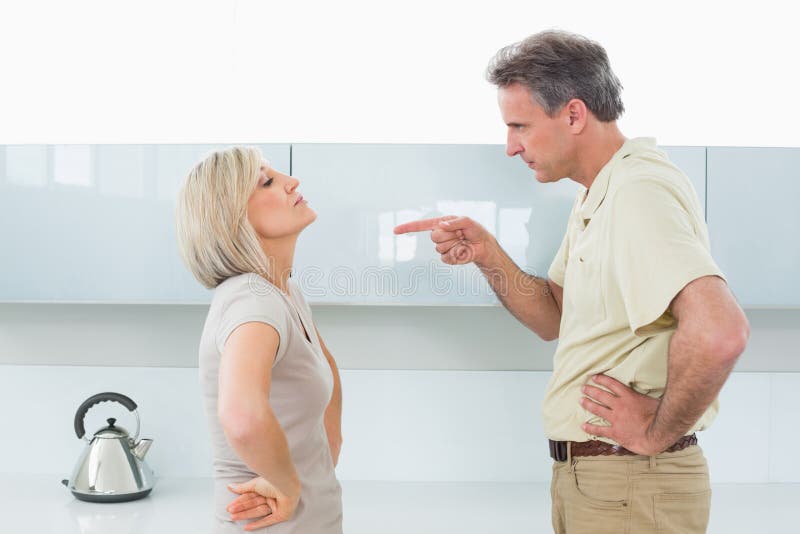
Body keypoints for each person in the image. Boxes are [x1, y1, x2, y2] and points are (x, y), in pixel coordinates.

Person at [394, 30, 749, 533]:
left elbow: (720, 330)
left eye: (520, 126)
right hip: (605, 482)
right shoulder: (597, 195)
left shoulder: (636, 192)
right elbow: (553, 316)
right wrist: (487, 253)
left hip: (631, 481)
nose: (510, 147)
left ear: (575, 115)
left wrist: (655, 431)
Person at [176, 147, 343, 533]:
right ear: (232, 217)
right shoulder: (252, 298)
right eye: (267, 181)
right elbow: (242, 416)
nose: (291, 182)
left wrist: (326, 448)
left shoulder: (283, 292)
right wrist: (287, 484)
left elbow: (325, 366)